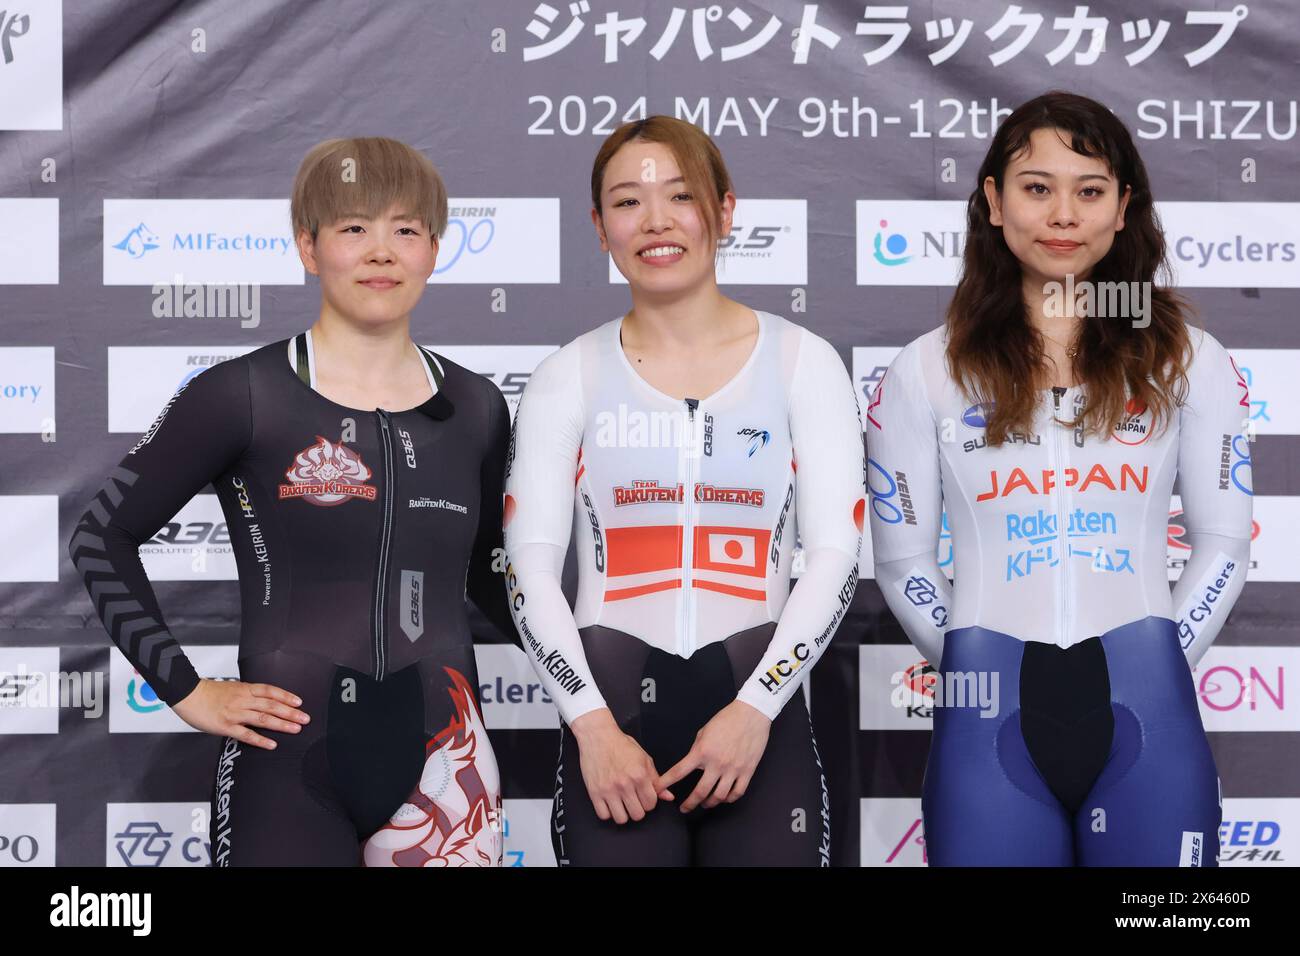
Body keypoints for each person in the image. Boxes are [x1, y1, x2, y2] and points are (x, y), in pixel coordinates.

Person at [69, 137, 516, 867]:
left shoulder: (477, 406)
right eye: (353, 228)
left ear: (435, 249)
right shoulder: (241, 394)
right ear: (308, 247)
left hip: (448, 765)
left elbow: (491, 579)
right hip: (287, 766)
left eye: (405, 229)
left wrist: (596, 694)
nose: (381, 251)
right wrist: (185, 690)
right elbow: (100, 536)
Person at [866, 91, 1253, 866]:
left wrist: (1160, 654)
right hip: (988, 716)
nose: (1063, 214)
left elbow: (1224, 542)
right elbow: (903, 560)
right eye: (1037, 188)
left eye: (1090, 190)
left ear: (1123, 208)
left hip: (1150, 712)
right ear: (994, 202)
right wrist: (975, 661)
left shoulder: (1189, 359)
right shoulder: (924, 369)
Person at [503, 116, 865, 866]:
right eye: (628, 202)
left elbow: (835, 556)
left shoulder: (804, 361)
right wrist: (592, 726)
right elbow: (528, 569)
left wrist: (755, 710)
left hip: (759, 719)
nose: (656, 222)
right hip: (612, 729)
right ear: (599, 227)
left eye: (679, 196)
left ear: (724, 210)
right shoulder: (565, 375)